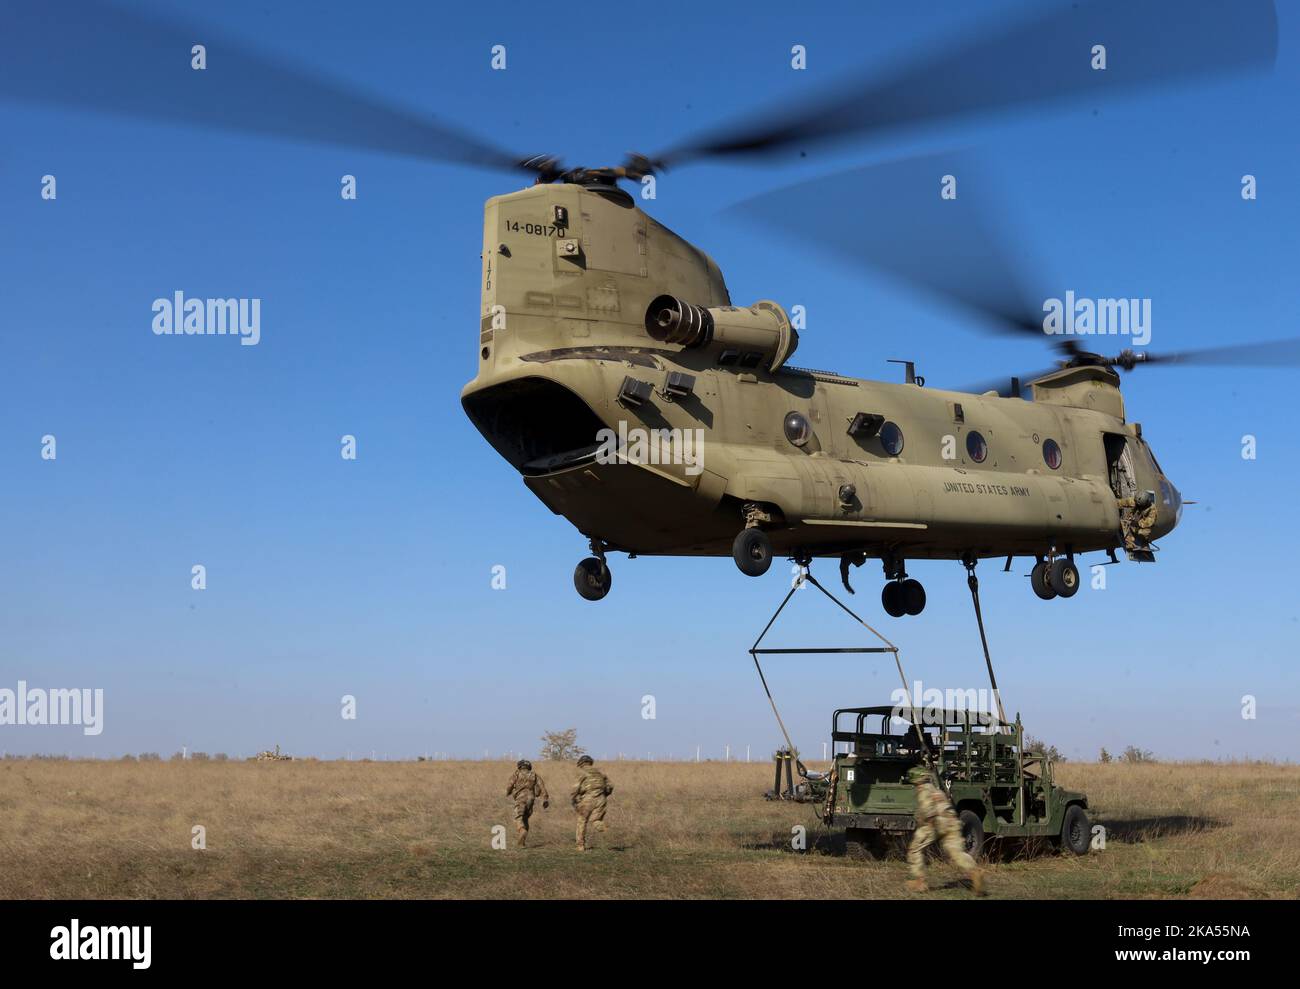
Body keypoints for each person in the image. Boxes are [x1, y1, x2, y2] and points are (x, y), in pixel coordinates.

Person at [904, 764, 985, 895]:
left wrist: (926, 825)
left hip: (936, 822)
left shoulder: (923, 790)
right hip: (952, 821)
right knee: (957, 853)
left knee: (915, 849)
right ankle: (974, 871)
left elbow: (928, 810)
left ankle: (920, 882)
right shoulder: (936, 790)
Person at [571, 755, 612, 851]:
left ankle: (580, 846)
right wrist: (604, 794)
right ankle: (609, 831)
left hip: (588, 799)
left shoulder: (582, 772)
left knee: (582, 820)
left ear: (581, 763)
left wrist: (573, 798)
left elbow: (575, 788)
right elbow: (610, 786)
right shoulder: (600, 772)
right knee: (596, 820)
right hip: (601, 799)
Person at [505, 759, 549, 847]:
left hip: (520, 798)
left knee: (518, 817)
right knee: (525, 819)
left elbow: (509, 785)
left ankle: (522, 830)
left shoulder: (516, 774)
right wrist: (545, 799)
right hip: (531, 799)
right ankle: (522, 843)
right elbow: (542, 787)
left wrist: (507, 792)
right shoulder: (534, 775)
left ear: (519, 766)